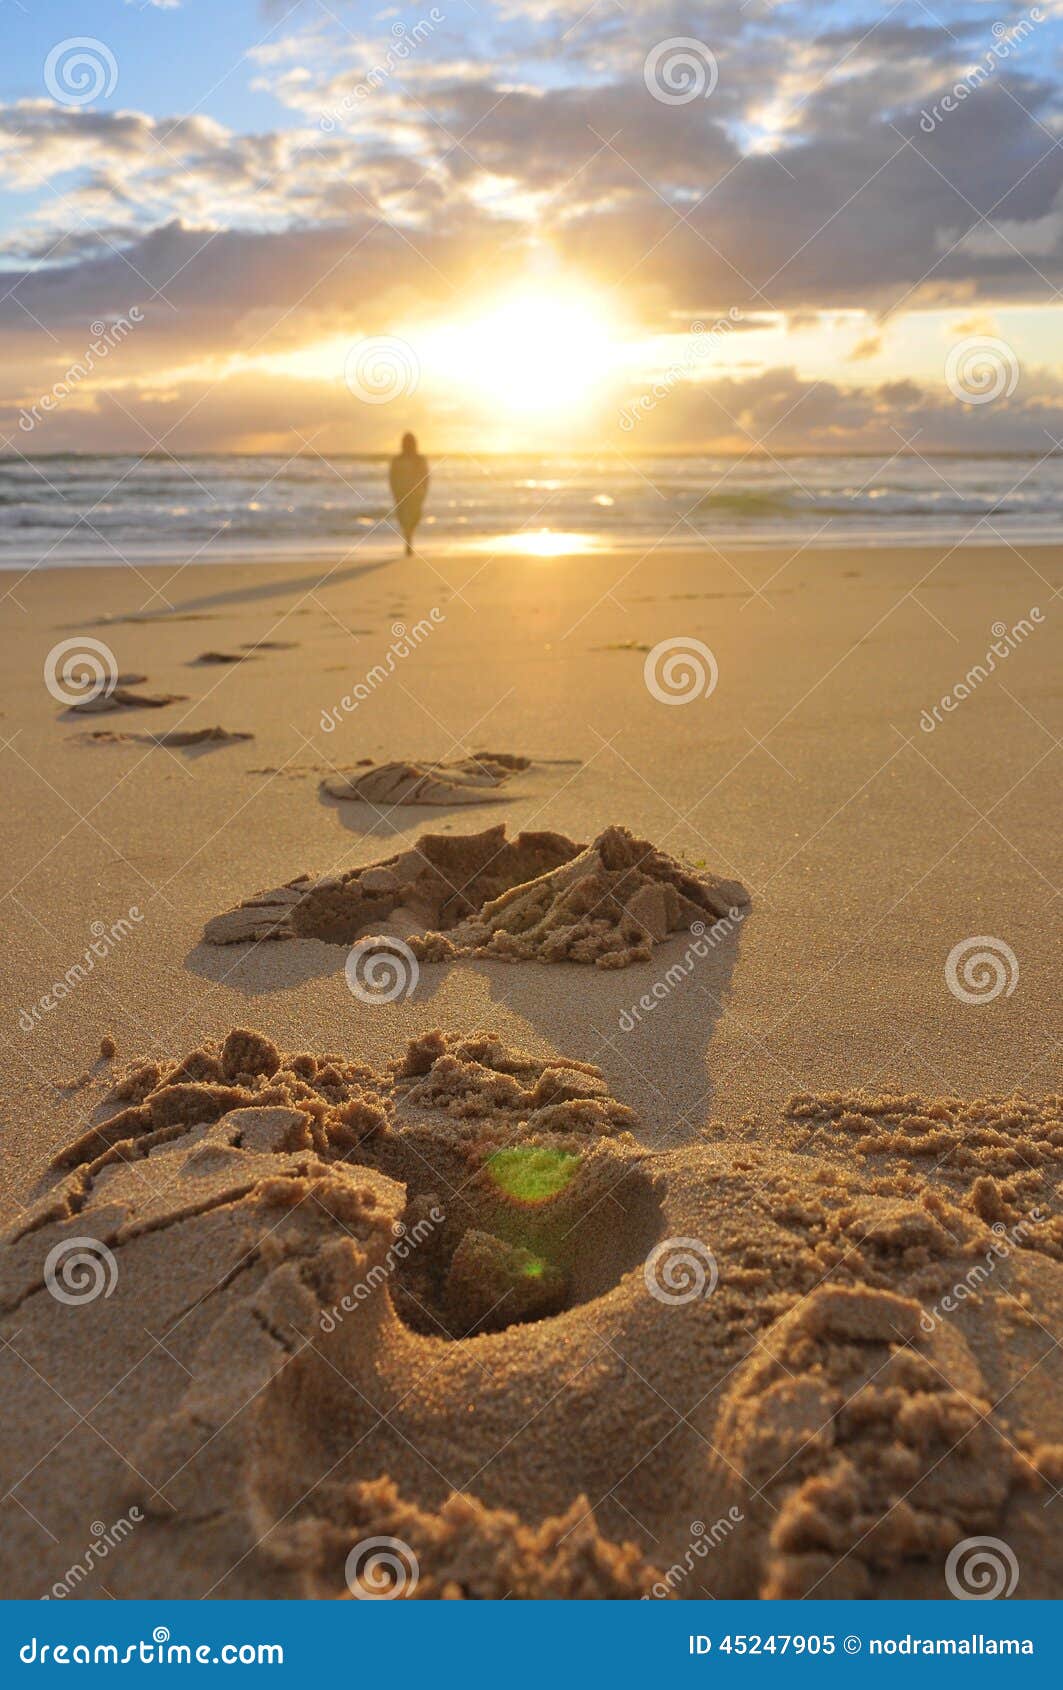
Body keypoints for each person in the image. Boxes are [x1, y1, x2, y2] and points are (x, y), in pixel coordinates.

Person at [388, 432, 429, 556]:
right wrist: (394, 490)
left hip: (414, 492)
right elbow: (392, 476)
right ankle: (408, 539)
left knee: (414, 517)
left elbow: (426, 476)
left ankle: (409, 538)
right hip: (402, 492)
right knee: (403, 517)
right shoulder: (397, 459)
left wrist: (425, 490)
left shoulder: (419, 459)